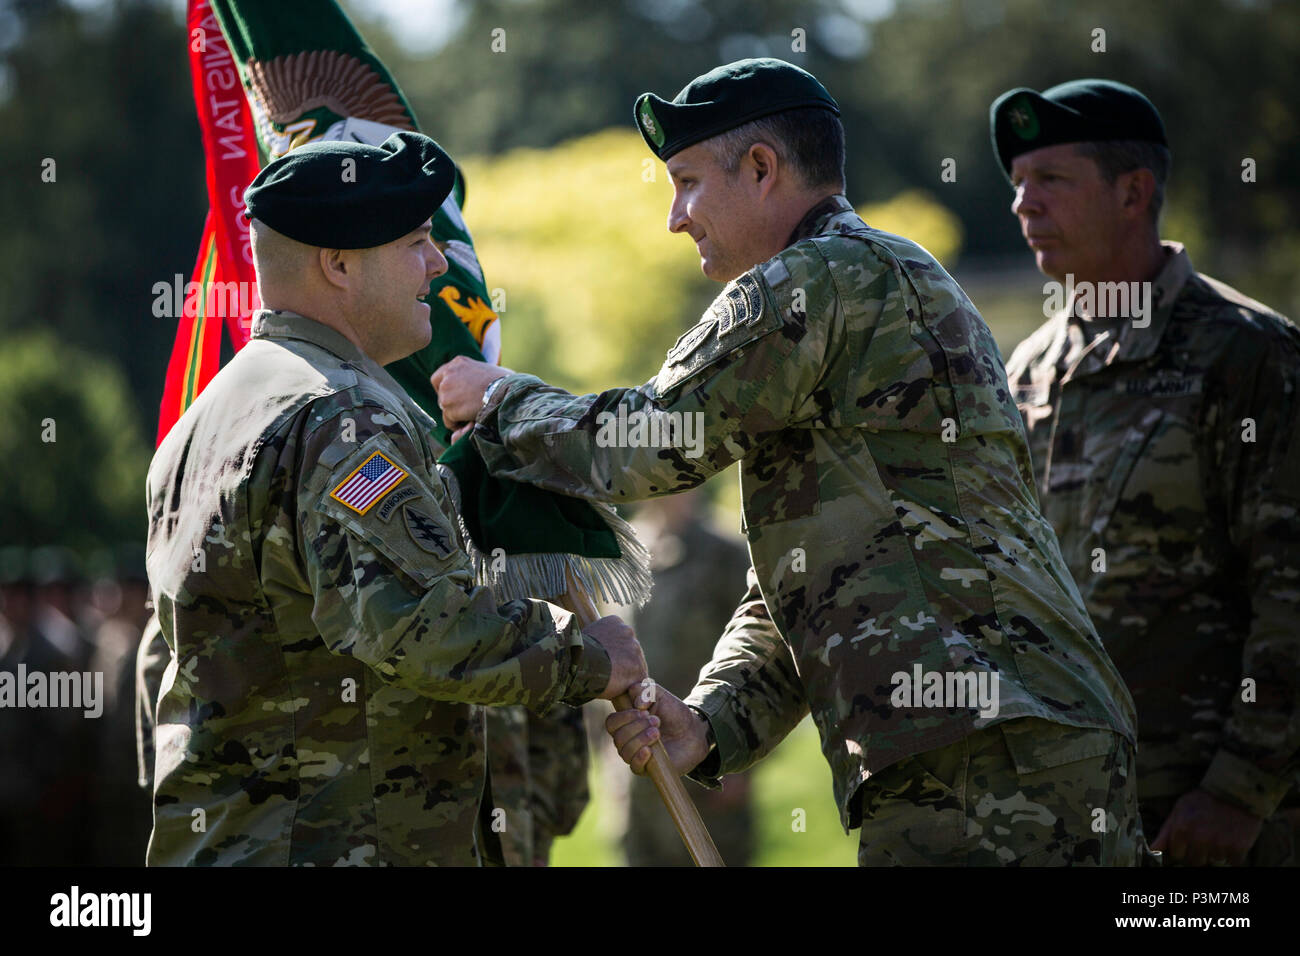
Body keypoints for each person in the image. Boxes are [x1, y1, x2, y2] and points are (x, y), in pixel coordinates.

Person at [433, 59, 1144, 866]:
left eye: (689, 182)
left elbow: (647, 448)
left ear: (763, 169)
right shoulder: (878, 276)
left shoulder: (812, 282)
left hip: (983, 752)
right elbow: (813, 584)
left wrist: (502, 404)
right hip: (1022, 736)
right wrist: (711, 724)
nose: (675, 218)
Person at [144, 130, 646, 866]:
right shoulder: (341, 416)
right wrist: (587, 655)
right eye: (415, 242)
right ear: (338, 264)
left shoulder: (200, 424)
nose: (439, 264)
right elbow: (418, 626)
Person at [991, 79, 1300, 866]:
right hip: (1067, 812)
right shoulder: (1028, 370)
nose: (1025, 204)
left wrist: (1239, 790)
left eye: (1052, 180)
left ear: (1134, 192)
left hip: (1216, 825)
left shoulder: (1247, 354)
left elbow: (1289, 589)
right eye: (1018, 182)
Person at [619, 490, 755, 866]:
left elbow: (758, 657)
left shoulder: (724, 552)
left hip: (708, 753)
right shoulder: (630, 549)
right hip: (642, 755)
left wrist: (739, 763)